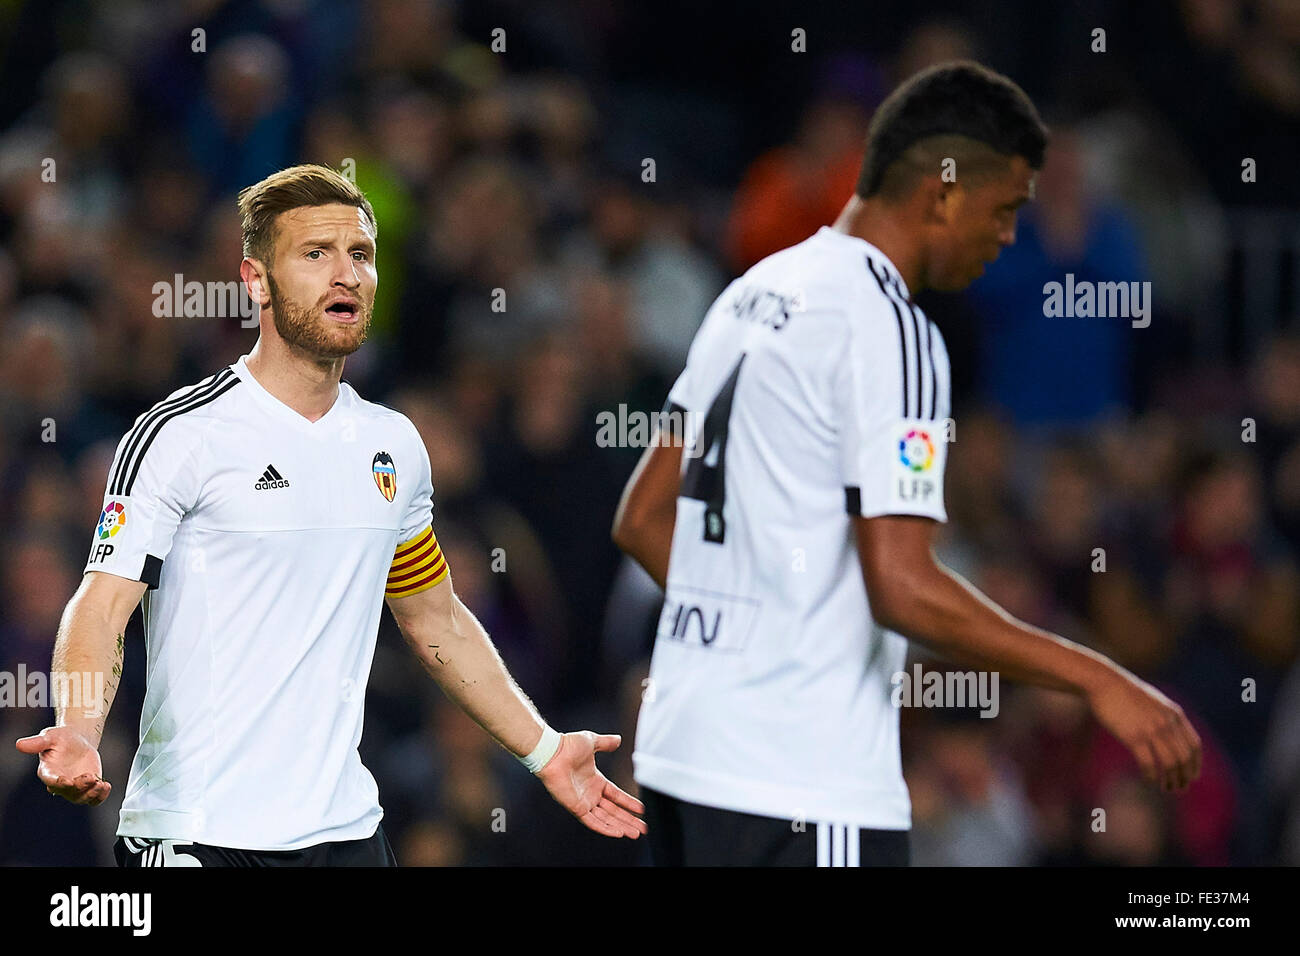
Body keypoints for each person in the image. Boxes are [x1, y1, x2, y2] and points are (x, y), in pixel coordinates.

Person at [612, 61, 1201, 867]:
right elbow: (904, 585)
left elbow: (643, 519)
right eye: (1004, 211)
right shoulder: (893, 328)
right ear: (944, 194)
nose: (1007, 237)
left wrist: (755, 634)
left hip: (684, 759)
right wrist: (1095, 676)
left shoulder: (751, 292)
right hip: (804, 783)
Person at [16, 164, 645, 866]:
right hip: (200, 834)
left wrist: (545, 748)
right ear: (256, 281)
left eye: (361, 255)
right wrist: (77, 727)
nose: (345, 273)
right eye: (315, 254)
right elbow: (102, 606)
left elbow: (433, 619)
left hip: (346, 836)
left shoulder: (394, 446)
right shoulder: (180, 435)